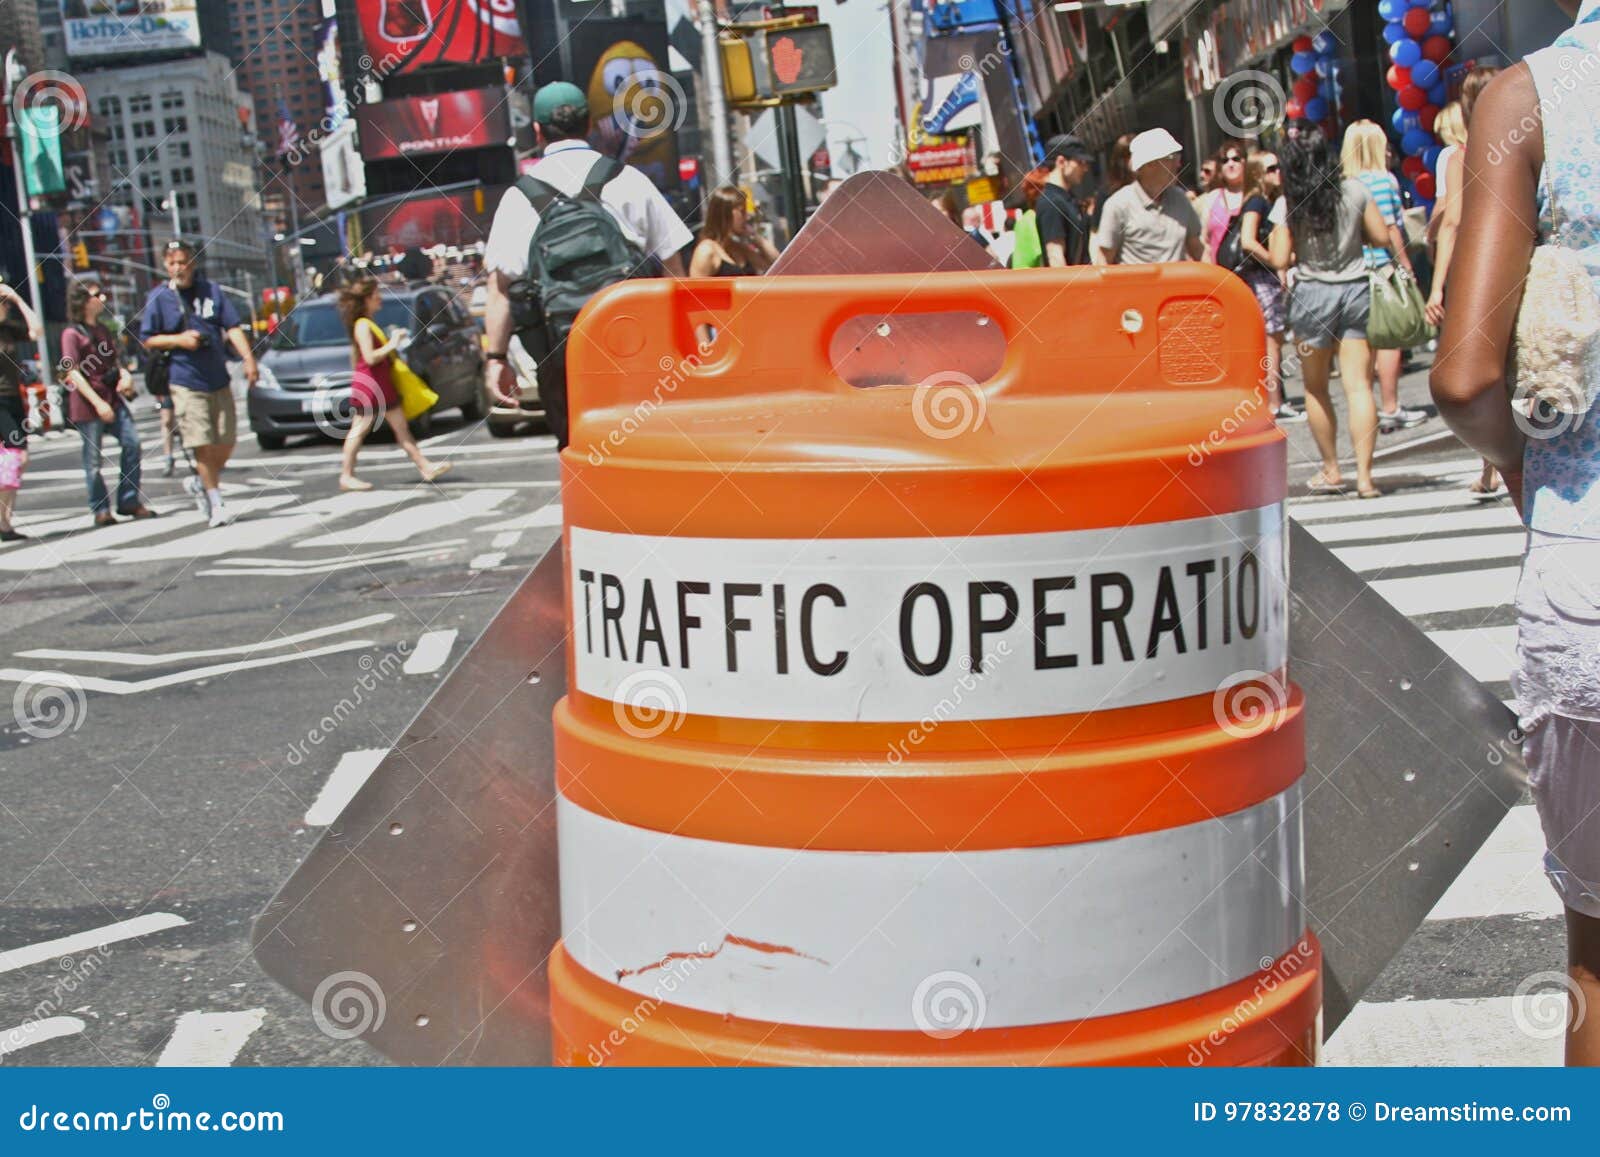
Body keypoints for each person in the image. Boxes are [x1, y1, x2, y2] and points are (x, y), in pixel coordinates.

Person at [1431, 0, 1600, 1066]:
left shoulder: (1533, 98)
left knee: (1593, 956)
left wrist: (1523, 463)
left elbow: (1463, 375)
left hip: (1588, 565)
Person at [483, 81, 691, 451]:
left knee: (580, 456)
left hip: (565, 363)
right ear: (591, 123)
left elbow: (500, 289)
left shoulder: (518, 198)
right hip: (636, 355)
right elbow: (675, 268)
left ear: (537, 130)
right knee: (648, 453)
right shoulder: (628, 179)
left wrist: (496, 359)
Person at [1269, 123, 1393, 499]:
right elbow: (1383, 237)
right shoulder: (1355, 190)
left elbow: (1278, 257)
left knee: (1316, 387)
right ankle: (1366, 479)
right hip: (1355, 291)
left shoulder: (1289, 200)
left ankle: (1332, 468)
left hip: (1312, 296)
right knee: (1358, 386)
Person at [139, 240, 258, 528]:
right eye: (173, 263)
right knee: (201, 443)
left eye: (183, 262)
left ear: (193, 263)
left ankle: (201, 481)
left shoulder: (211, 291)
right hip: (184, 379)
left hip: (217, 376)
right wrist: (179, 340)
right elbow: (147, 339)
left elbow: (231, 326)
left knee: (227, 440)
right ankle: (216, 502)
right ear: (166, 266)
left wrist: (248, 359)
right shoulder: (158, 298)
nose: (179, 268)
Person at [1428, 73, 1504, 497]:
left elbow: (1453, 222)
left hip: (1481, 270)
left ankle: (1495, 464)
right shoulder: (1530, 139)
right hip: (1525, 263)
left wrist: (1437, 287)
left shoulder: (1462, 157)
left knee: (1483, 369)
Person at [1343, 120, 1429, 434]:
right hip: (1383, 268)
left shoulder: (1345, 183)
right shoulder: (1384, 181)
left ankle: (1365, 404)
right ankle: (1390, 406)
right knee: (1389, 337)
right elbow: (1392, 228)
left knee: (1364, 340)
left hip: (1354, 271)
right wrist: (1405, 266)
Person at [335, 276, 451, 492]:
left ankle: (425, 467)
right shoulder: (362, 325)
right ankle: (346, 475)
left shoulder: (367, 323)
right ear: (368, 298)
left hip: (381, 384)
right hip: (370, 386)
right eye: (377, 294)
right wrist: (393, 343)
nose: (380, 298)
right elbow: (370, 357)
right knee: (359, 429)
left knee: (401, 428)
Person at [61, 281, 156, 526]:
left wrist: (124, 376)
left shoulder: (103, 330)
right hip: (88, 404)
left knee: (132, 443)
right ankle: (100, 509)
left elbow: (116, 362)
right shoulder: (71, 334)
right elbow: (71, 372)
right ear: (83, 301)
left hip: (112, 399)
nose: (102, 298)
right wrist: (97, 403)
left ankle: (129, 500)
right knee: (92, 461)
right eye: (96, 294)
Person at [1235, 153, 1300, 423]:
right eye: (1272, 168)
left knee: (1271, 340)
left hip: (1261, 276)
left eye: (1279, 166)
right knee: (1271, 341)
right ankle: (1275, 403)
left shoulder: (1265, 201)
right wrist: (1276, 262)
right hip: (1261, 277)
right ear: (1258, 174)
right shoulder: (1258, 201)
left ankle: (1272, 401)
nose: (1278, 172)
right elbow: (1248, 240)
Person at [1097, 128, 1204, 265]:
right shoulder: (1118, 205)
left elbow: (1198, 250)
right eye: (1172, 157)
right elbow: (1104, 260)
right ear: (1149, 164)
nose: (1178, 164)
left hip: (1178, 286)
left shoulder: (1181, 199)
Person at [0, 281, 42, 542]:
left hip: (15, 399)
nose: (3, 306)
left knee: (15, 461)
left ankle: (5, 523)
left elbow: (36, 331)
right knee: (16, 458)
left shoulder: (8, 330)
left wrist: (16, 298)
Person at [689, 186, 780, 278]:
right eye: (742, 211)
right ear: (725, 214)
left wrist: (756, 238)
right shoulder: (706, 250)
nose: (747, 217)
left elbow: (778, 264)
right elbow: (695, 289)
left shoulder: (739, 248)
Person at [1035, 134, 1094, 267]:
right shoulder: (1051, 203)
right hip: (1074, 285)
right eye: (1080, 162)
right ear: (1061, 162)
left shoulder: (1067, 200)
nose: (1085, 168)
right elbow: (1056, 257)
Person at [1202, 139, 1250, 263]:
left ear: (1245, 162)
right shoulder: (1212, 198)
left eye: (1236, 159)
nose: (1230, 164)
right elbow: (1203, 240)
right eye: (1225, 161)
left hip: (1249, 273)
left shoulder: (1253, 196)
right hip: (1218, 274)